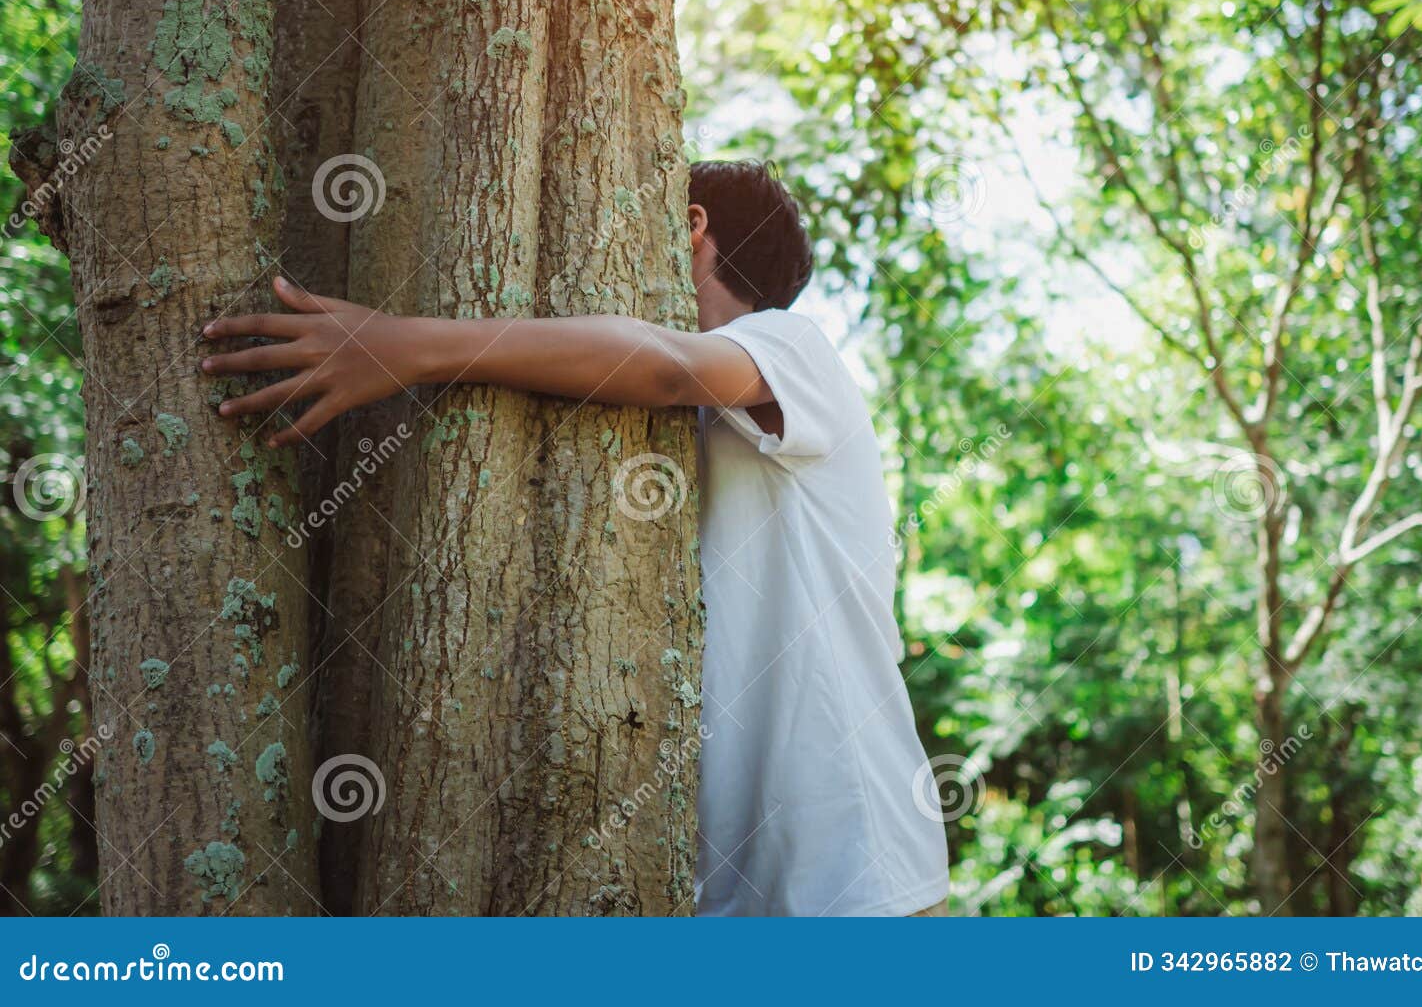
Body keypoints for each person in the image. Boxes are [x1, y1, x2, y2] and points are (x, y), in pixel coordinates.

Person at [201, 159, 951, 917]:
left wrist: (408, 347)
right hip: (736, 896)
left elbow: (665, 368)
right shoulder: (707, 423)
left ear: (691, 225)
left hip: (854, 871)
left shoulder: (790, 345)